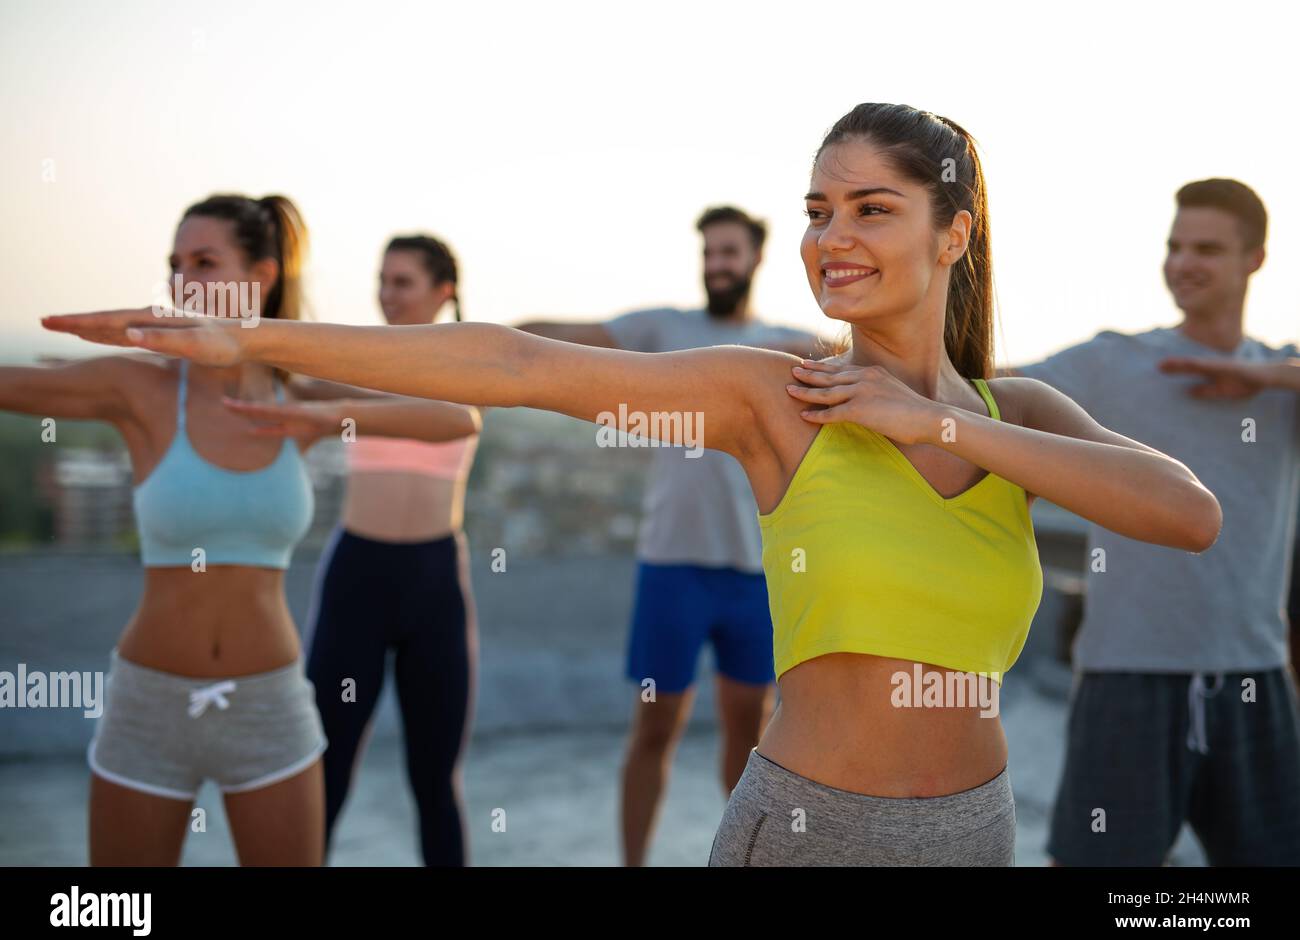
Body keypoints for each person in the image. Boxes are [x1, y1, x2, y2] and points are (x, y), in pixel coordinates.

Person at [43, 102, 1222, 866]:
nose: (831, 236)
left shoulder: (1020, 413)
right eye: (818, 210)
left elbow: (1186, 512)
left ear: (953, 234)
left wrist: (936, 420)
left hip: (975, 831)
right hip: (806, 828)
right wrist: (263, 342)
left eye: (872, 207)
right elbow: (514, 364)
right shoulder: (777, 395)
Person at [1005, 178, 1300, 865]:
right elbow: (987, 388)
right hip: (1127, 677)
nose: (1183, 262)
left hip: (1252, 677)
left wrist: (1273, 379)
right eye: (1174, 245)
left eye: (1207, 248)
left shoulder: (1277, 384)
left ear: (1255, 259)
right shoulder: (1116, 362)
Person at [515, 207, 819, 865]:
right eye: (708, 253)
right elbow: (559, 338)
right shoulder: (664, 328)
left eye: (729, 252)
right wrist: (482, 338)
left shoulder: (787, 343)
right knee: (654, 728)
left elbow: (877, 363)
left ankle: (742, 858)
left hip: (752, 576)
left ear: (756, 259)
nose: (717, 264)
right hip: (671, 570)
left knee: (749, 741)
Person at [247, 235, 481, 866]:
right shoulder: (357, 356)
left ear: (443, 292)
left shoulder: (465, 363)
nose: (386, 294)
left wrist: (338, 407)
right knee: (328, 768)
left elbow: (458, 419)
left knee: (435, 781)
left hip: (434, 583)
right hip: (359, 578)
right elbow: (288, 381)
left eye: (402, 282)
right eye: (382, 279)